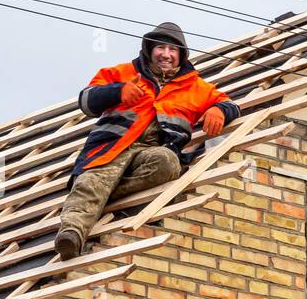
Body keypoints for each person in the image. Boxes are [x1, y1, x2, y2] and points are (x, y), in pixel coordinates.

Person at [54, 21, 240, 260]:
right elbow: (86, 100)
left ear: (181, 55)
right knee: (92, 180)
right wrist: (117, 91)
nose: (166, 54)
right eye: (161, 48)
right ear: (149, 50)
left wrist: (220, 111)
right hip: (112, 147)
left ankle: (103, 193)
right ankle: (72, 234)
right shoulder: (123, 73)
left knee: (168, 162)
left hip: (151, 151)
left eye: (173, 50)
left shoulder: (195, 87)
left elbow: (230, 103)